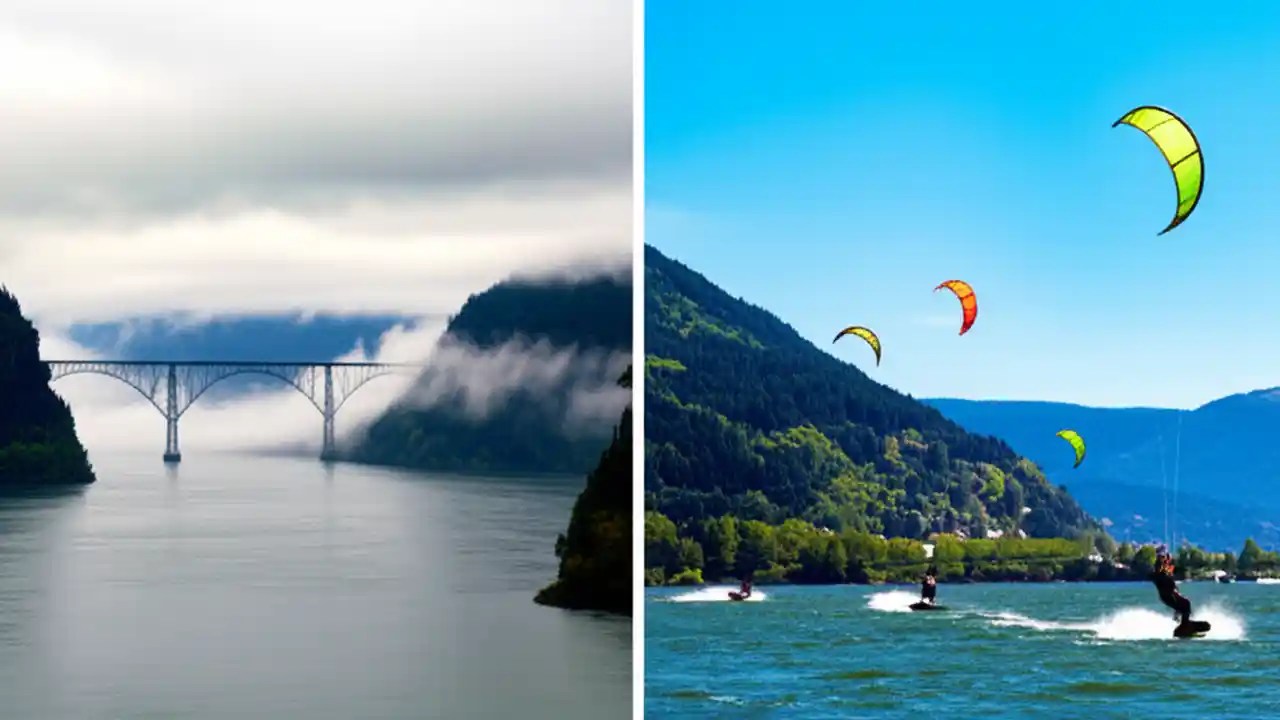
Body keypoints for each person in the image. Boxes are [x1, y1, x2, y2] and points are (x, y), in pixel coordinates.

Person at [1150, 545, 1192, 625]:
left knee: (1183, 607)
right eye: (1162, 556)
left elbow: (1173, 573)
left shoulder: (1166, 566)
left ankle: (1180, 624)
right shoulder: (1159, 567)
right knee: (1185, 604)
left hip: (1172, 593)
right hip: (1167, 595)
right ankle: (1183, 625)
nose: (1165, 558)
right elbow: (1161, 576)